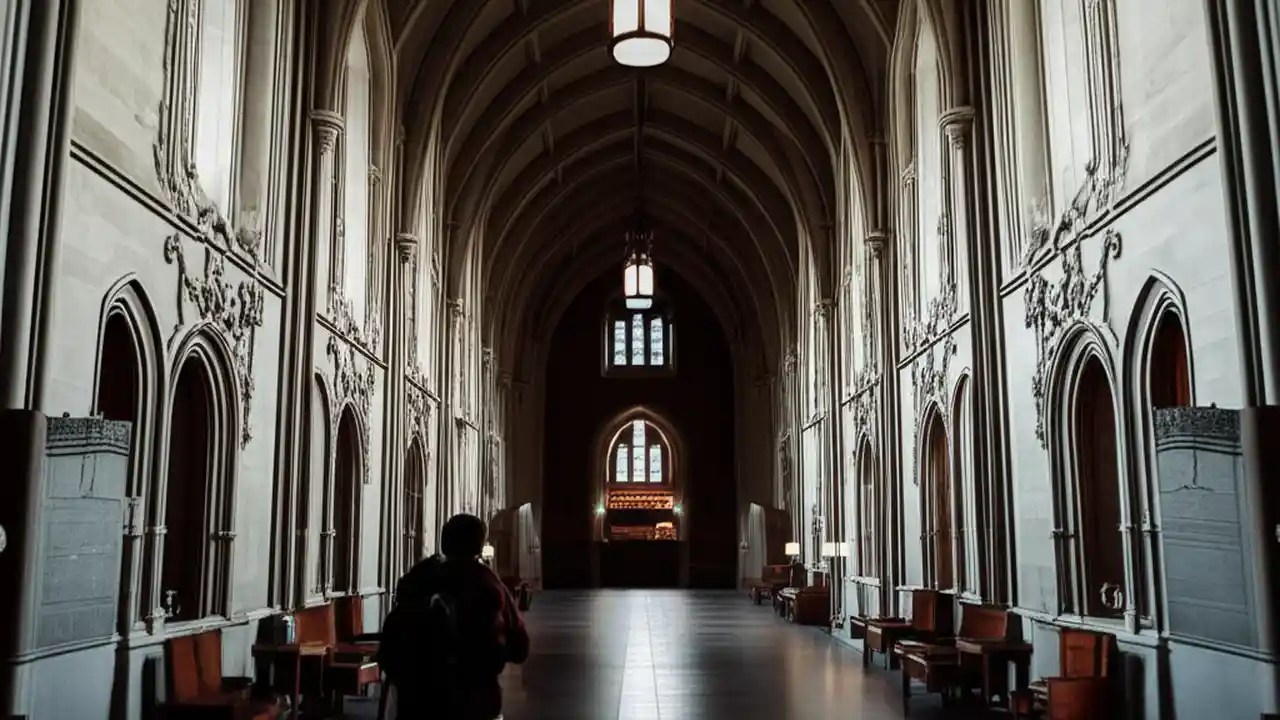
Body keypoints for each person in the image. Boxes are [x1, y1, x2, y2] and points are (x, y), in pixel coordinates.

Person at [379, 514, 529, 720]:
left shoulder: (420, 579)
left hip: (419, 702)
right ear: (479, 544)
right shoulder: (490, 585)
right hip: (476, 701)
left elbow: (391, 645)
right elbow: (520, 648)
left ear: (444, 542)